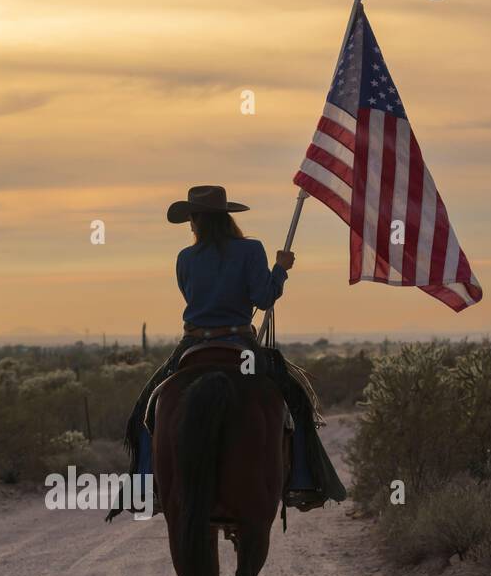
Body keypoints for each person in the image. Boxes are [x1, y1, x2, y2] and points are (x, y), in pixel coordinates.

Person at [108, 185, 346, 518]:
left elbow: (193, 298)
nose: (190, 224)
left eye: (192, 218)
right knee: (297, 403)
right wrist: (281, 269)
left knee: (147, 411)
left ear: (198, 221)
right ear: (225, 218)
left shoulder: (185, 258)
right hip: (239, 344)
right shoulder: (251, 250)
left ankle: (148, 488)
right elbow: (263, 299)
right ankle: (303, 482)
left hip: (193, 344)